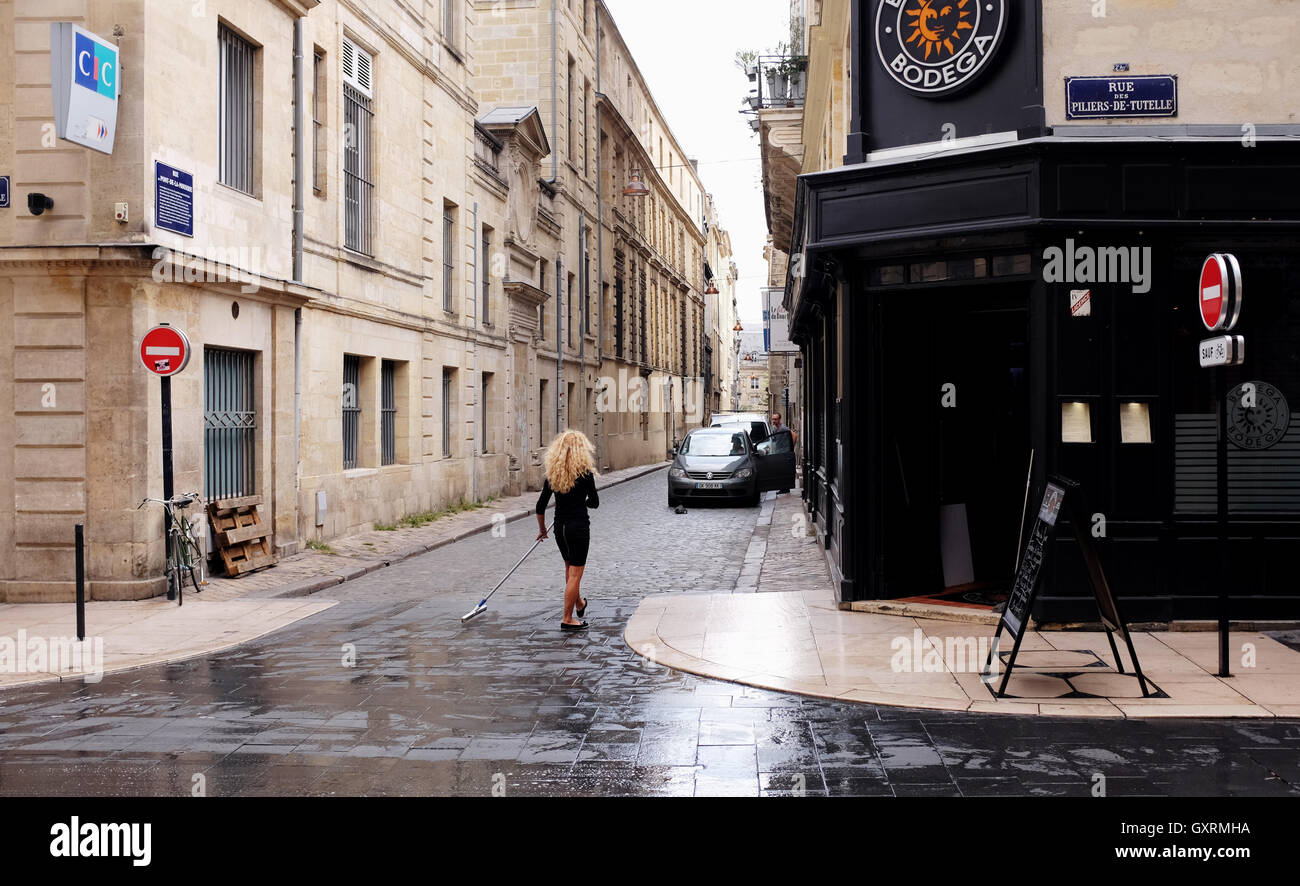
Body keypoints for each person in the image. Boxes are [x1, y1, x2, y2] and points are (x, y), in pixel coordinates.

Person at [535, 429, 600, 631]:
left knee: (569, 569)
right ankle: (567, 618)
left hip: (559, 528)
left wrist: (542, 529)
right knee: (575, 574)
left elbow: (540, 506)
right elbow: (595, 502)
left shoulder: (553, 475)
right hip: (578, 527)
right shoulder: (585, 474)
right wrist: (583, 501)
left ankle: (579, 603)